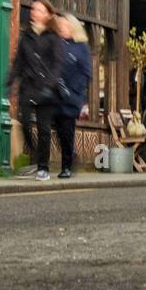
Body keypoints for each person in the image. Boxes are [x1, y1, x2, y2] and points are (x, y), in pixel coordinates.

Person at [5, 0, 63, 180]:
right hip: (28, 87)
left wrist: (50, 85)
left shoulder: (53, 37)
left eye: (38, 10)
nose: (33, 12)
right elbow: (18, 63)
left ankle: (43, 167)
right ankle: (36, 154)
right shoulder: (26, 36)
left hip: (46, 89)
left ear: (47, 15)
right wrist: (10, 82)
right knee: (25, 124)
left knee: (44, 129)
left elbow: (57, 65)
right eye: (33, 9)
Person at [53, 12, 92, 179]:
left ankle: (66, 167)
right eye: (59, 25)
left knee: (67, 131)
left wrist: (74, 91)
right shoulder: (56, 44)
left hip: (71, 96)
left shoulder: (81, 47)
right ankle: (71, 153)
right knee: (59, 130)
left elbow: (86, 73)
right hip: (55, 94)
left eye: (64, 25)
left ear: (72, 27)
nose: (61, 28)